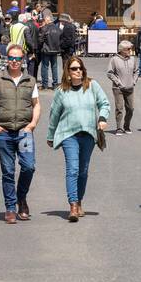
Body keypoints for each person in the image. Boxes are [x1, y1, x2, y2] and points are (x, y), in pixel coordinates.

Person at [46, 56, 110, 222]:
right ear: (68, 71)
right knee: (72, 169)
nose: (78, 71)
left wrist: (102, 118)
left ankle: (79, 200)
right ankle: (73, 205)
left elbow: (104, 103)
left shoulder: (92, 85)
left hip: (88, 134)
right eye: (74, 68)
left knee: (83, 171)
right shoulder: (61, 91)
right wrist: (50, 135)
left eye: (80, 68)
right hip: (69, 135)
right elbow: (54, 114)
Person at [0, 42, 40, 224]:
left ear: (22, 60)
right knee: (8, 171)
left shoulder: (30, 80)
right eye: (11, 58)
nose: (14, 62)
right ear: (7, 60)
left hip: (24, 131)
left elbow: (36, 104)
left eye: (18, 58)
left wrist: (32, 124)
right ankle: (10, 207)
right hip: (4, 132)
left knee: (29, 166)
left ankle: (21, 198)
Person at [106, 39, 139, 134]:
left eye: (130, 49)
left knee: (131, 108)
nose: (130, 51)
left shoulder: (132, 59)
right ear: (121, 50)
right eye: (128, 49)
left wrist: (134, 81)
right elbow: (109, 73)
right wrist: (118, 83)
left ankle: (127, 126)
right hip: (118, 89)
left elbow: (136, 71)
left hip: (130, 88)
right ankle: (119, 127)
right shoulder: (114, 60)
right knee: (119, 108)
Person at [37, 11, 62, 88]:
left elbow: (40, 40)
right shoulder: (58, 29)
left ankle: (45, 84)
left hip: (46, 50)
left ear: (47, 20)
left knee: (45, 67)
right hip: (55, 50)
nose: (43, 22)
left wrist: (40, 47)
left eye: (44, 20)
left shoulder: (44, 28)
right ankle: (55, 84)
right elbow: (61, 39)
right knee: (54, 67)